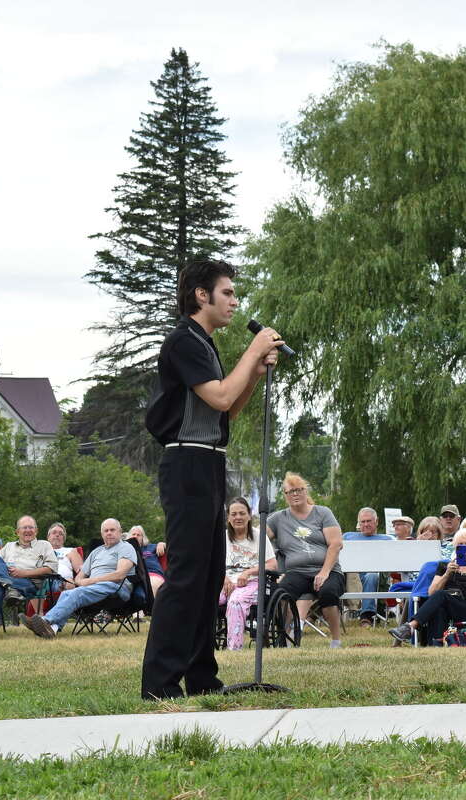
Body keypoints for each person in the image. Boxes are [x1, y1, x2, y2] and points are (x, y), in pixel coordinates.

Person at [140, 258, 282, 700]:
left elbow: (225, 411)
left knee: (208, 575)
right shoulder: (183, 341)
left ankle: (202, 677)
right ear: (202, 296)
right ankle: (160, 684)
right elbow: (220, 395)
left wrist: (254, 376)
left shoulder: (204, 343)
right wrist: (254, 351)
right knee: (186, 574)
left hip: (209, 461)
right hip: (186, 465)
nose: (235, 302)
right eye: (228, 294)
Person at [266, 472, 345, 647]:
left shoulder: (323, 513)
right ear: (285, 496)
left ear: (305, 491)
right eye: (290, 492)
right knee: (281, 593)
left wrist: (324, 573)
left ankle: (336, 641)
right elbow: (259, 538)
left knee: (328, 593)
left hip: (328, 571)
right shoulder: (279, 518)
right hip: (297, 572)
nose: (295, 494)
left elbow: (335, 544)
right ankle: (285, 638)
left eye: (298, 490)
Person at [24, 518, 138, 638]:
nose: (109, 533)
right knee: (66, 594)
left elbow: (119, 575)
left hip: (116, 587)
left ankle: (45, 621)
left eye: (112, 530)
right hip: (96, 588)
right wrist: (81, 582)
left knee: (76, 593)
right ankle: (52, 629)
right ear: (102, 534)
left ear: (120, 532)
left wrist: (90, 581)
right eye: (106, 531)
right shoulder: (96, 552)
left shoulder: (126, 547)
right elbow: (79, 577)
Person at [390, 530, 466, 645]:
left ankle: (411, 626)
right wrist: (446, 574)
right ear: (454, 546)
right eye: (460, 544)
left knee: (441, 595)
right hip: (446, 608)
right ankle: (435, 645)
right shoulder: (445, 566)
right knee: (439, 608)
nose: (464, 547)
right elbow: (431, 592)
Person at [0, 516, 57, 639]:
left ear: (36, 531)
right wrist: (4, 576)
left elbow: (51, 568)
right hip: (6, 578)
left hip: (28, 582)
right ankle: (7, 586)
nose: (28, 530)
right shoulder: (8, 546)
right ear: (17, 532)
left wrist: (22, 573)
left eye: (31, 527)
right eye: (24, 527)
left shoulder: (44, 545)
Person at [222, 496, 277, 650]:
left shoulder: (259, 536)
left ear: (249, 515)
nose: (238, 517)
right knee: (202, 599)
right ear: (228, 517)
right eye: (233, 514)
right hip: (226, 582)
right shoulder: (222, 537)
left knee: (235, 602)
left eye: (241, 513)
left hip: (253, 583)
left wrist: (248, 573)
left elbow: (272, 564)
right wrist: (223, 578)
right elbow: (212, 564)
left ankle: (234, 649)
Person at [342, 507, 394, 624]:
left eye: (369, 521)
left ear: (376, 521)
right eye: (363, 522)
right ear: (359, 523)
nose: (365, 524)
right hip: (350, 576)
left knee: (372, 575)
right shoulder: (347, 537)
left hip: (376, 576)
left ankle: (367, 616)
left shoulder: (388, 539)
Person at [126, 525, 167, 597]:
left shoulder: (151, 547)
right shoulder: (125, 551)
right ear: (129, 536)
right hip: (136, 578)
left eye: (138, 535)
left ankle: (151, 607)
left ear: (142, 538)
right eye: (133, 534)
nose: (135, 536)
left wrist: (162, 544)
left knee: (150, 588)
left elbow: (171, 547)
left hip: (153, 574)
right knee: (138, 595)